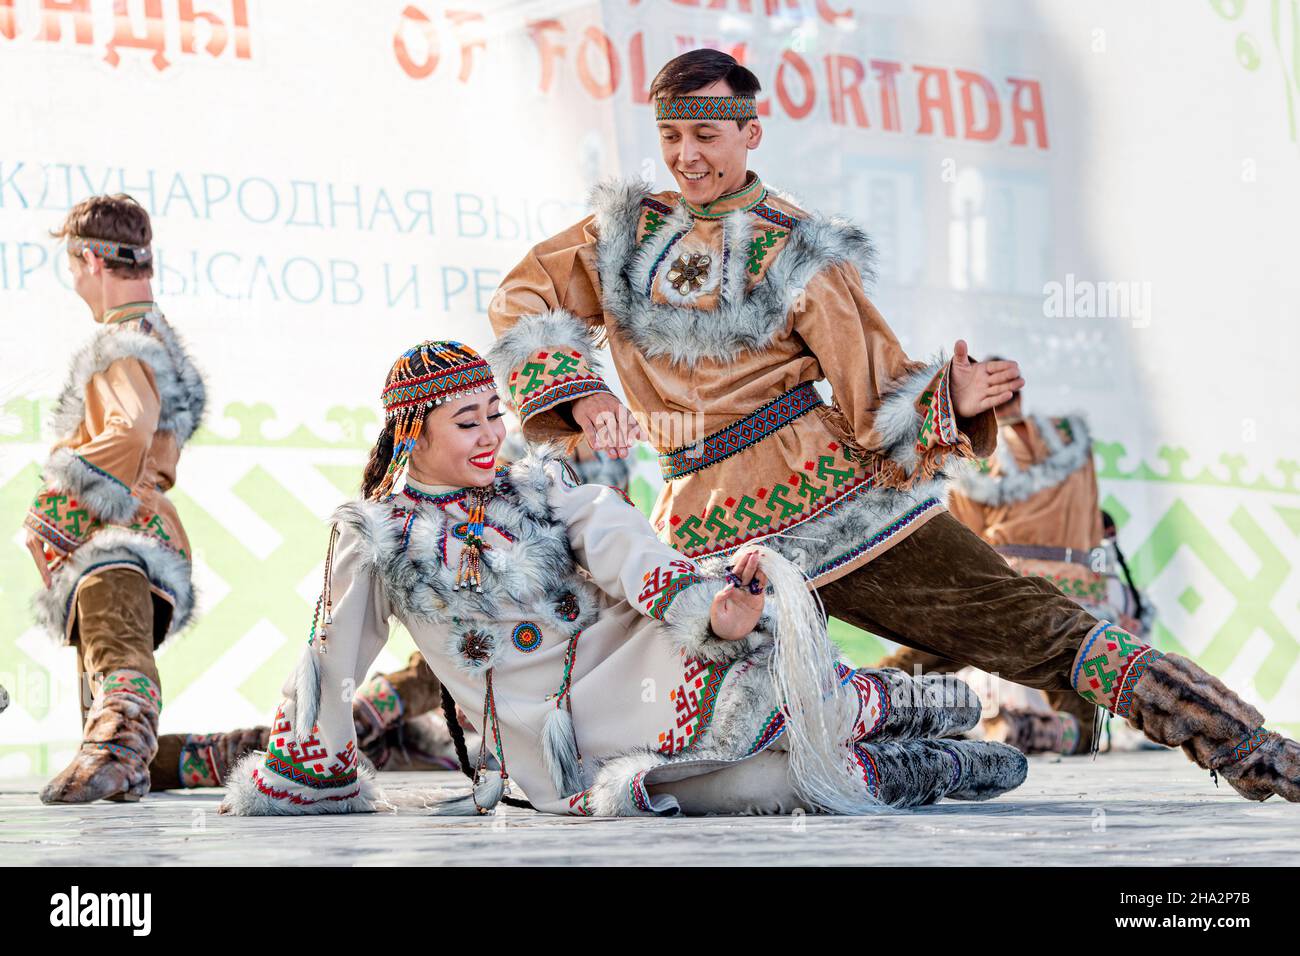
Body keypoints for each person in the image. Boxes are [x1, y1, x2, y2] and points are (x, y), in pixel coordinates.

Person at [485, 49, 1298, 801]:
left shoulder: (801, 251)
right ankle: (938, 747)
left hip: (840, 510)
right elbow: (522, 297)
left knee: (1035, 627)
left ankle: (1253, 752)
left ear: (750, 132)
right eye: (671, 136)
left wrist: (953, 396)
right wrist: (580, 391)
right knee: (682, 719)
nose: (687, 154)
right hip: (707, 530)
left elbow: (876, 395)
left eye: (706, 133)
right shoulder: (621, 234)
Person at [219, 341, 1028, 817]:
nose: (491, 435)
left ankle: (897, 706)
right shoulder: (377, 533)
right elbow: (331, 658)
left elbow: (623, 548)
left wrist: (713, 607)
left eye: (495, 415)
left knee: (765, 667)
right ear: (411, 434)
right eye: (468, 422)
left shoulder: (541, 488)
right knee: (773, 785)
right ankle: (925, 765)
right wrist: (305, 773)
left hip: (645, 663)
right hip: (558, 740)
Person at [24, 194, 205, 804]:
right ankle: (221, 753)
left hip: (117, 537)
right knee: (105, 695)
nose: (72, 276)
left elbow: (129, 428)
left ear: (91, 260)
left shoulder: (122, 341)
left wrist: (59, 502)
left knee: (115, 686)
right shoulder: (151, 334)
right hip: (142, 532)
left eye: (72, 263)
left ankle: (125, 751)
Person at [878, 377, 1125, 755]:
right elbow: (1090, 514)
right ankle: (1051, 732)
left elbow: (965, 544)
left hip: (1009, 591)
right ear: (1019, 395)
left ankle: (870, 705)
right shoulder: (1073, 442)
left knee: (926, 655)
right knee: (1080, 703)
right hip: (1080, 595)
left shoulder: (971, 461)